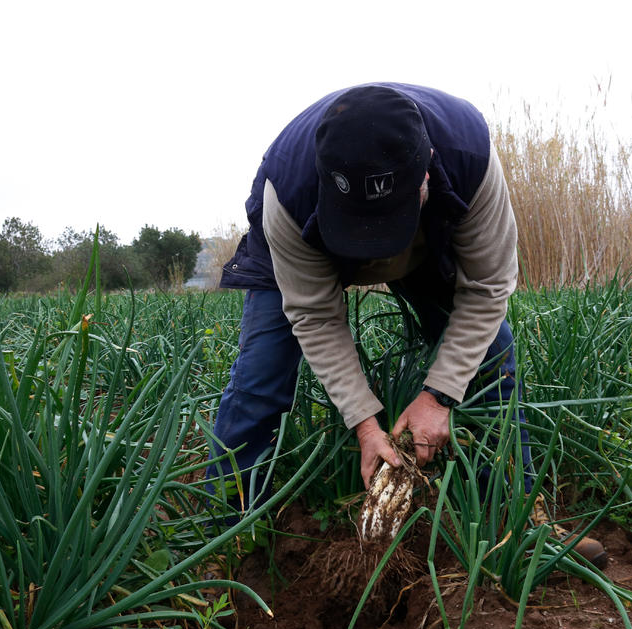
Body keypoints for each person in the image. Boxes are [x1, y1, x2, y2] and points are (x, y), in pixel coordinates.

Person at [210, 83, 606, 568]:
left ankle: (519, 522)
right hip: (311, 237)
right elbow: (313, 314)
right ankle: (226, 541)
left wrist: (438, 394)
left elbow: (487, 288)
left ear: (425, 171)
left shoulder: (468, 157)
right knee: (259, 381)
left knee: (491, 357)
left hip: (427, 243)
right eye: (362, 225)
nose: (375, 249)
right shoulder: (289, 192)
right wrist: (363, 423)